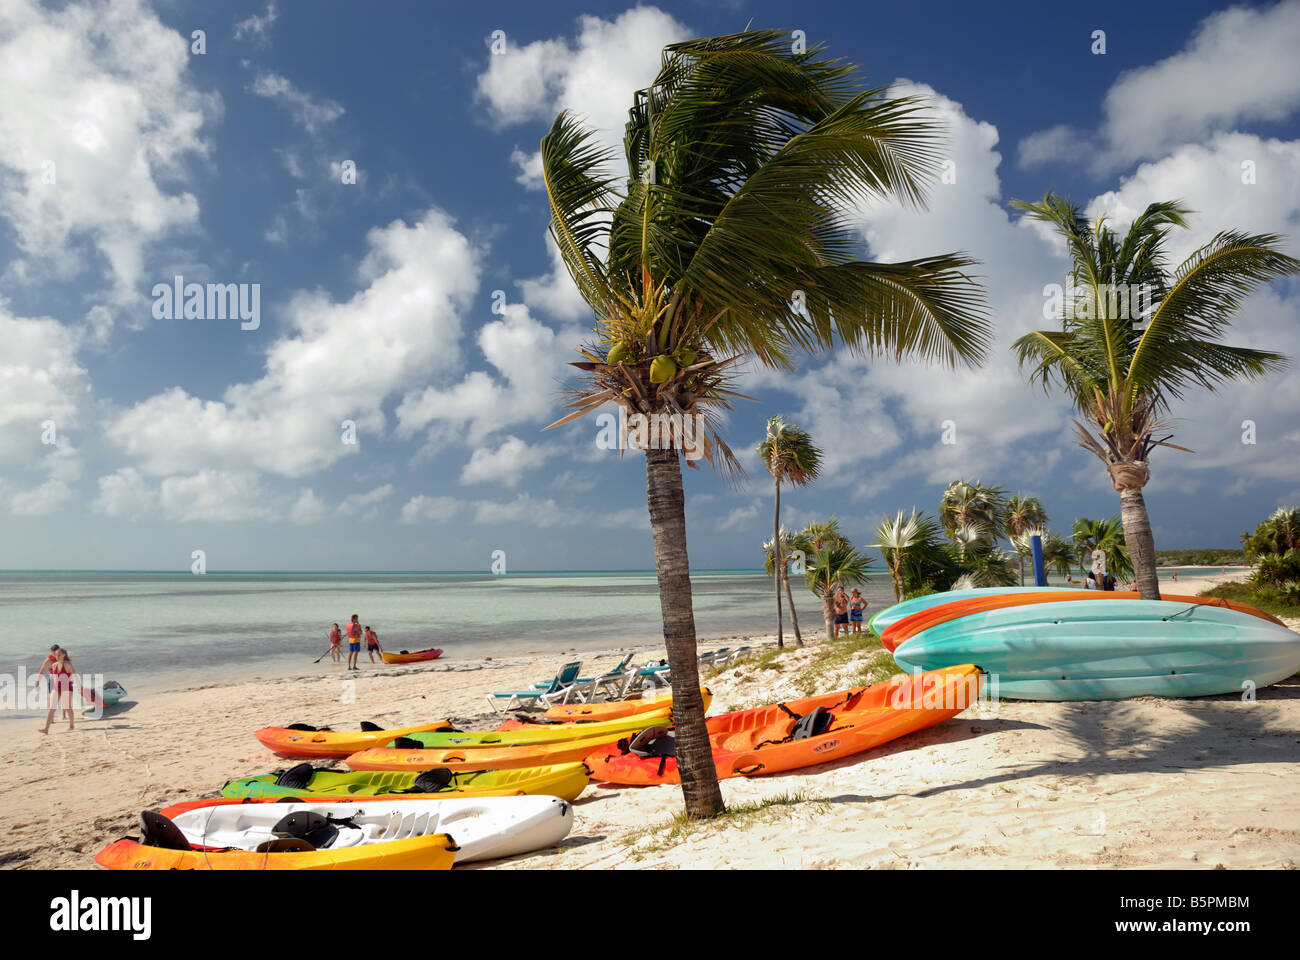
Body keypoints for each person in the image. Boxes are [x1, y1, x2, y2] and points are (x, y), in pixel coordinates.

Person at [42, 648, 77, 734]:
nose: (56, 656)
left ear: (63, 655)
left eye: (58, 655)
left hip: (66, 687)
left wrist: (79, 687)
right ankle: (46, 729)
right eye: (56, 655)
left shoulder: (68, 665)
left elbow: (74, 676)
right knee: (52, 708)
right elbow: (54, 678)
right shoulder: (54, 665)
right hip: (56, 687)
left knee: (67, 707)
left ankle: (71, 725)